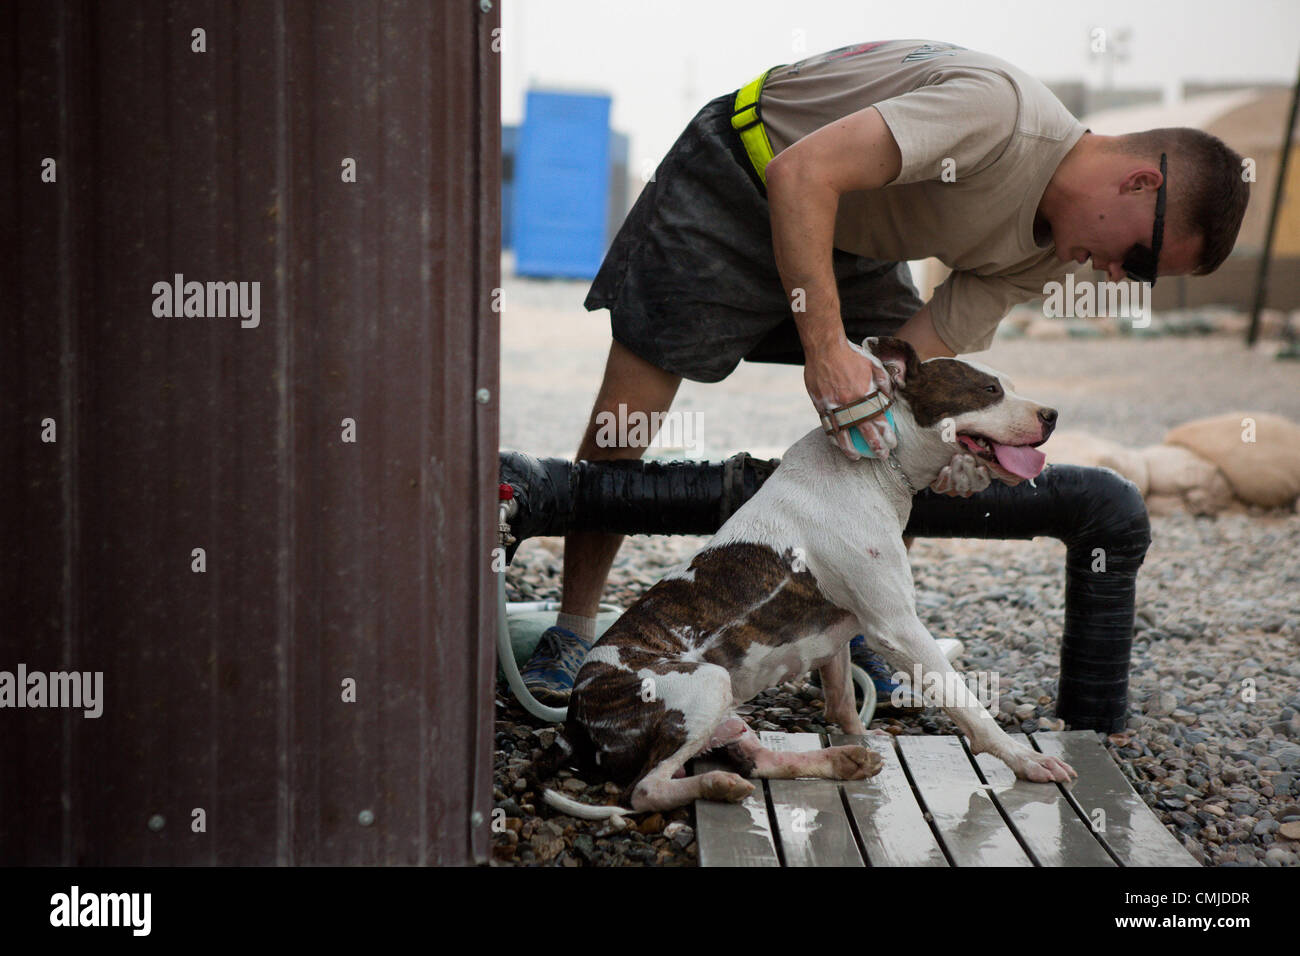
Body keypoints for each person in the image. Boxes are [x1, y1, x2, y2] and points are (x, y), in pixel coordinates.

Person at [520, 39, 1249, 706]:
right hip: (740, 178)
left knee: (890, 440)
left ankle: (855, 620)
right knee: (629, 421)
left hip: (853, 237)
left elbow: (916, 373)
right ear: (1140, 183)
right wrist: (826, 343)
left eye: (1142, 279)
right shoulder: (997, 114)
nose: (1122, 275)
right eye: (1142, 260)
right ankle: (574, 625)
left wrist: (946, 445)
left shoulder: (1048, 254)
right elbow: (801, 171)